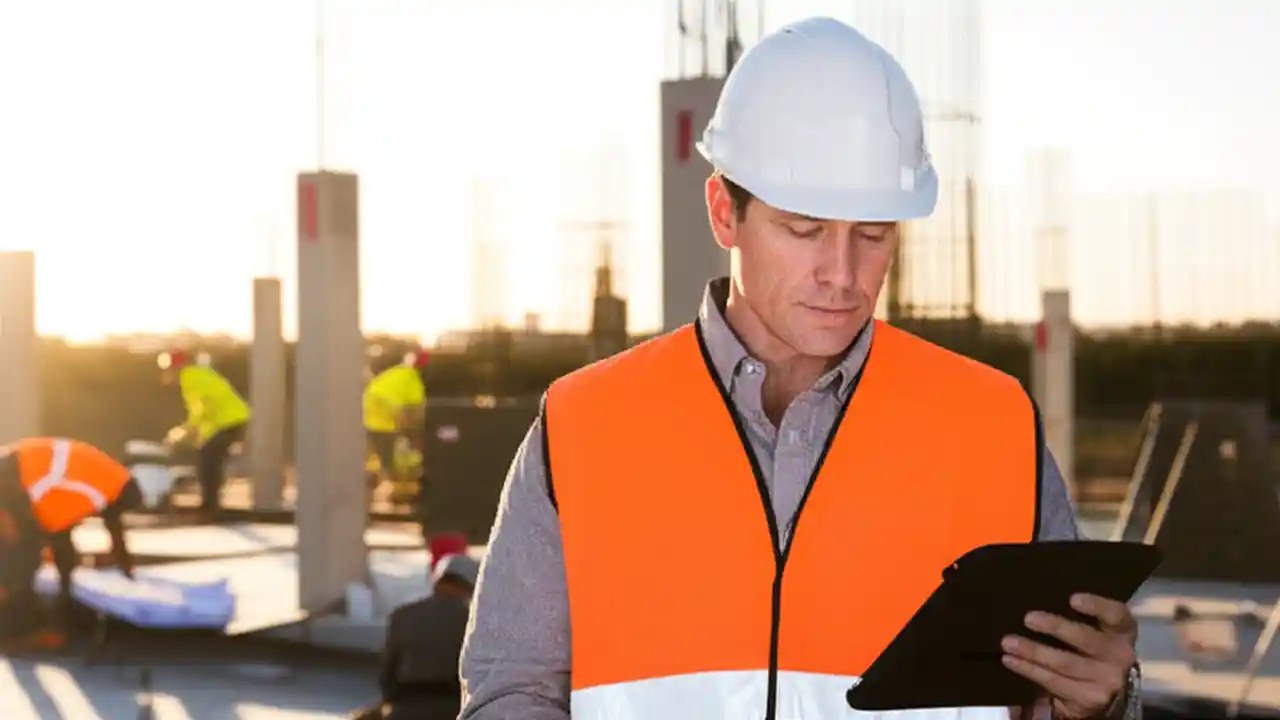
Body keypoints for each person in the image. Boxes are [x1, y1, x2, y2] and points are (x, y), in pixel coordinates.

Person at [460, 17, 1140, 720]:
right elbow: (512, 694)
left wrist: (1099, 706)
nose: (842, 274)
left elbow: (1050, 695)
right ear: (726, 213)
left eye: (872, 234)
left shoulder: (993, 424)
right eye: (806, 230)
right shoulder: (583, 427)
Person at [0, 437, 141, 649]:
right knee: (22, 560)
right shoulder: (102, 492)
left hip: (14, 465)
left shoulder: (106, 477)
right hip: (10, 477)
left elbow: (62, 531)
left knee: (23, 553)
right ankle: (19, 631)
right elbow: (109, 531)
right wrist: (125, 564)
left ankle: (28, 625)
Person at [374, 553, 478, 720]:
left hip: (403, 710)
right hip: (450, 710)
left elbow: (387, 673)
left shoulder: (403, 615)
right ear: (470, 586)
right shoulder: (472, 622)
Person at [158, 349, 251, 515]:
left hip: (228, 421)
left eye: (167, 370)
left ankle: (211, 506)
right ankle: (211, 503)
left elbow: (200, 410)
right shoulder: (197, 374)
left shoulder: (190, 378)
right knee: (209, 459)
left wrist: (182, 433)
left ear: (175, 368)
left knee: (209, 462)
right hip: (230, 419)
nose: (166, 375)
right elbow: (205, 410)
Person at [363, 349, 430, 484]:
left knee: (382, 455)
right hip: (383, 421)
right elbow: (415, 408)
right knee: (388, 458)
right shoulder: (411, 377)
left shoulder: (402, 373)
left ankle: (385, 479)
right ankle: (389, 482)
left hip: (373, 414)